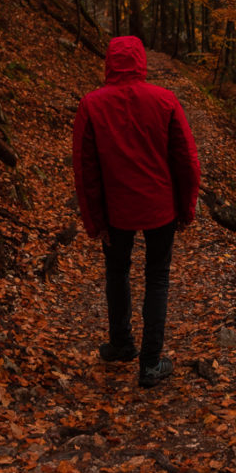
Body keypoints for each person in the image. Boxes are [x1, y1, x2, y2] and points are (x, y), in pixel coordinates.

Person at [72, 35, 201, 387]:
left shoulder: (91, 105)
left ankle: (121, 343)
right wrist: (186, 208)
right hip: (160, 207)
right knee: (157, 276)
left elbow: (86, 171)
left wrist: (95, 220)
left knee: (117, 272)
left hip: (117, 211)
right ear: (141, 61)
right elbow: (187, 161)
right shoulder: (164, 100)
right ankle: (150, 362)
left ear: (109, 63)